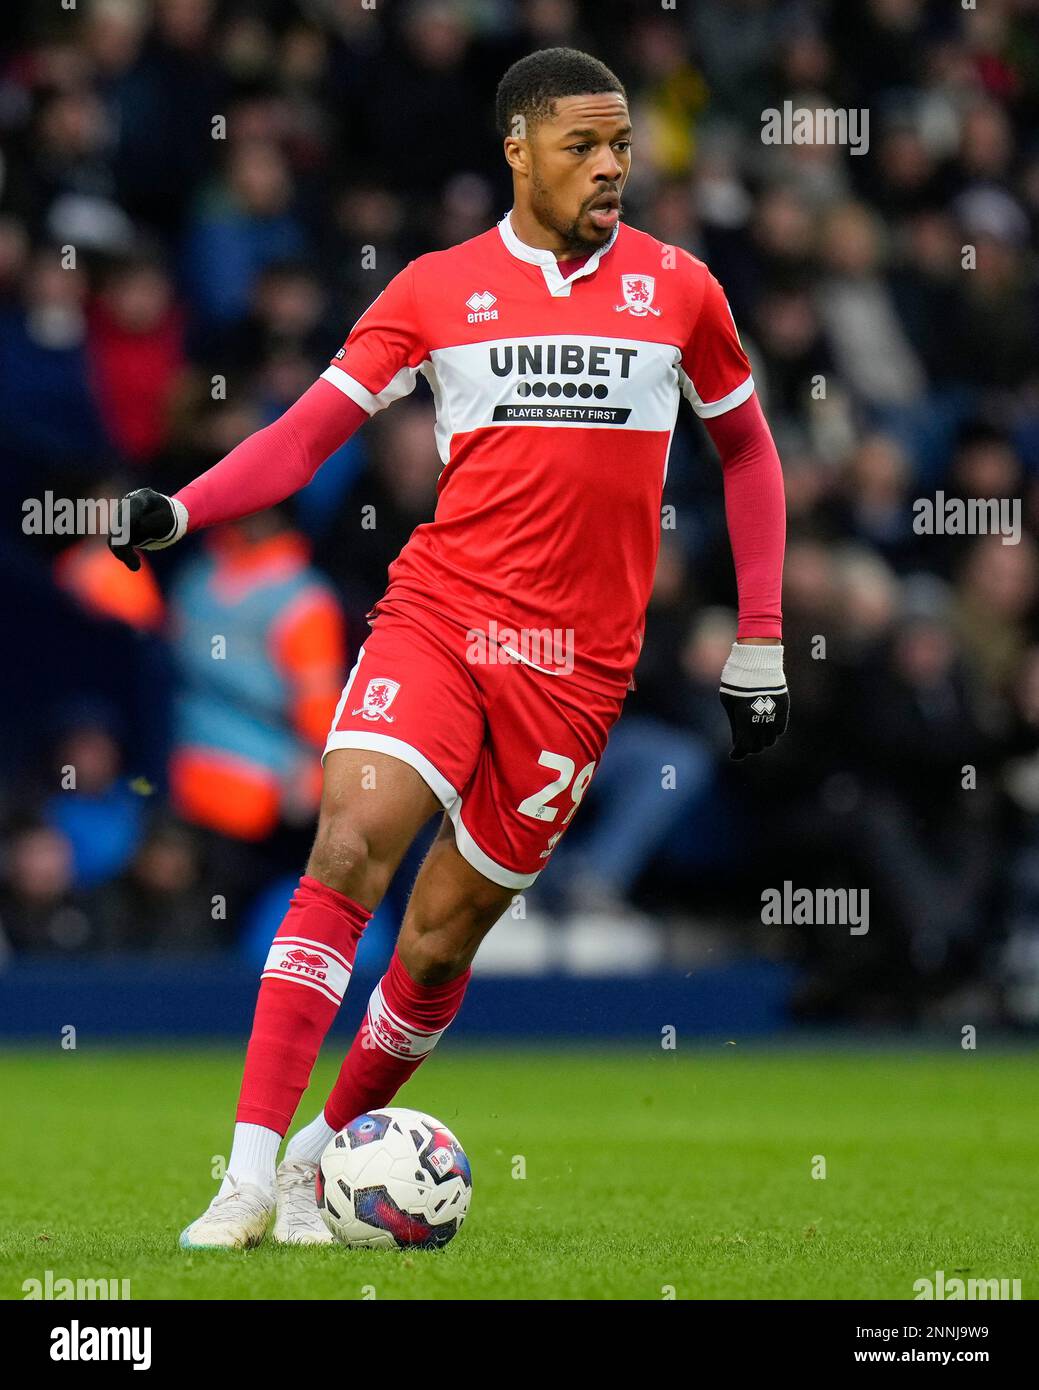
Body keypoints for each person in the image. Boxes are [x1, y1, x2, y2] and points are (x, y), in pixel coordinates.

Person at [109, 48, 788, 1250]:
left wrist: (763, 639)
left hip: (578, 670)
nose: (613, 167)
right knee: (351, 842)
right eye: (585, 145)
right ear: (517, 148)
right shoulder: (435, 288)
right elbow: (308, 431)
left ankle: (325, 1155)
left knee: (436, 939)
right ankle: (248, 1174)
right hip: (441, 614)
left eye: (623, 145)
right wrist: (184, 508)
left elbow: (746, 454)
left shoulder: (682, 291)